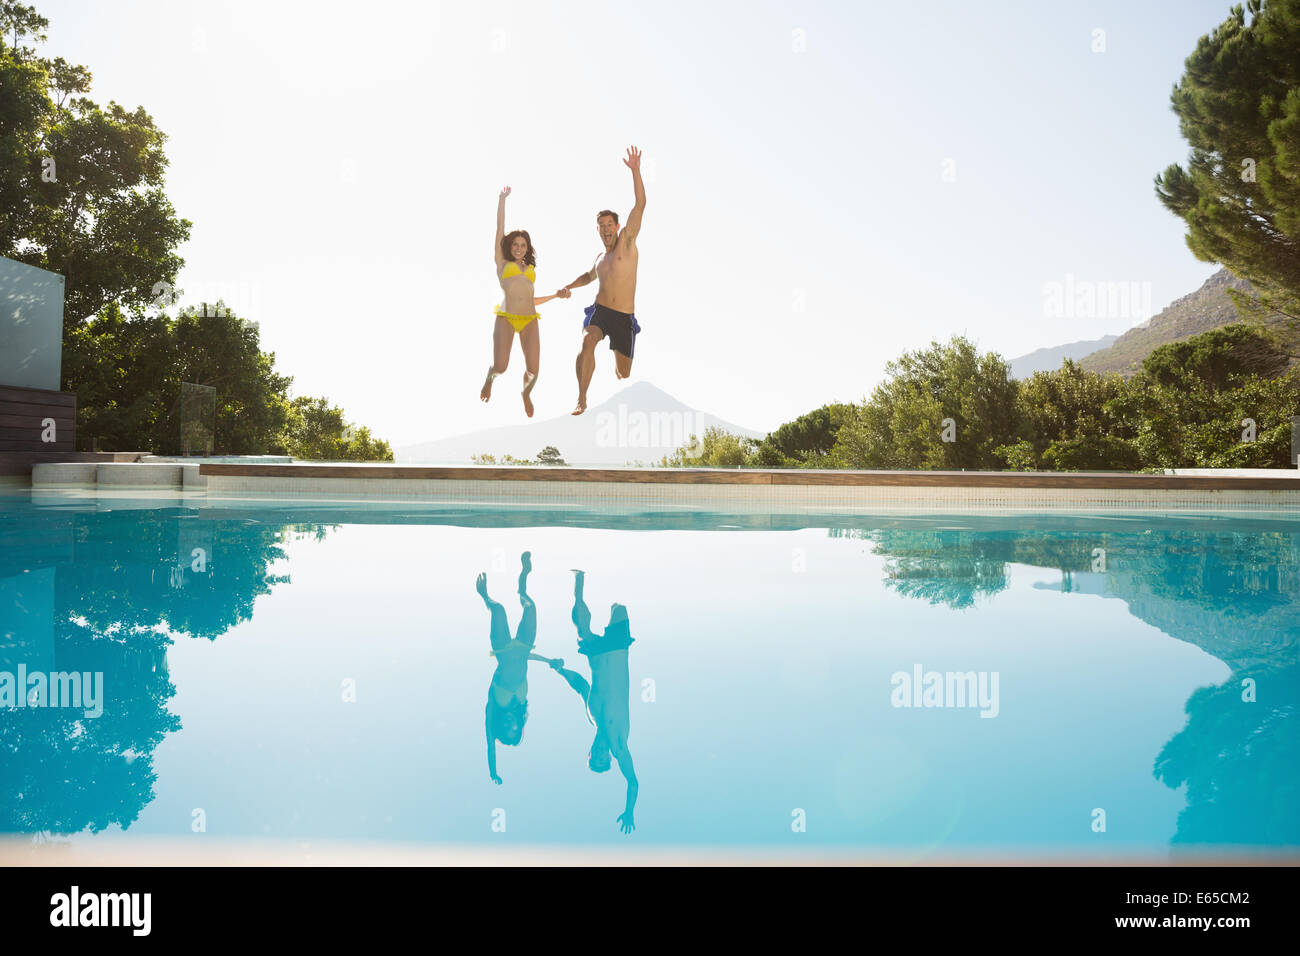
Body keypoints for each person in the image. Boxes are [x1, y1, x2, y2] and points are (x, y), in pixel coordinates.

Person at [548, 569, 638, 833]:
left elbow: (581, 685)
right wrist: (629, 810)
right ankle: (617, 567)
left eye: (593, 757)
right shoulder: (619, 743)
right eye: (603, 759)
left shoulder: (592, 715)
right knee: (619, 604)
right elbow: (632, 782)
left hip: (596, 656)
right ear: (609, 757)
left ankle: (578, 585)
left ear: (589, 752)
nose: (599, 754)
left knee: (581, 629)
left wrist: (560, 670)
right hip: (619, 648)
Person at [560, 146, 646, 415]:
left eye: (610, 225)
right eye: (602, 226)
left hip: (623, 317)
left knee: (624, 373)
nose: (606, 229)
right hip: (600, 312)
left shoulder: (627, 244)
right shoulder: (600, 257)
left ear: (618, 227)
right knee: (587, 341)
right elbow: (588, 276)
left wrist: (635, 171)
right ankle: (581, 397)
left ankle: (618, 359)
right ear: (597, 229)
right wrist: (568, 287)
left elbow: (640, 205)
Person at [482, 187, 571, 417]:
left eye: (523, 245)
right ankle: (490, 378)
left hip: (530, 319)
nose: (518, 248)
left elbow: (531, 300)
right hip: (507, 318)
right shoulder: (501, 263)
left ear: (527, 248)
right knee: (501, 366)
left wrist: (555, 295)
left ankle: (526, 394)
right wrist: (502, 201)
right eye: (515, 244)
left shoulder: (530, 269)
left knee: (534, 370)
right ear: (509, 246)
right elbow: (499, 229)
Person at [476, 552, 564, 784]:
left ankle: (485, 596)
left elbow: (489, 743)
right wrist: (549, 662)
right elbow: (526, 661)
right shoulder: (521, 702)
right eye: (514, 730)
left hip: (503, 649)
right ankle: (522, 583)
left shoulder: (493, 708)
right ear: (519, 726)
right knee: (531, 607)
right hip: (524, 647)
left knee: (498, 610)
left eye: (505, 730)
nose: (510, 726)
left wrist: (492, 771)